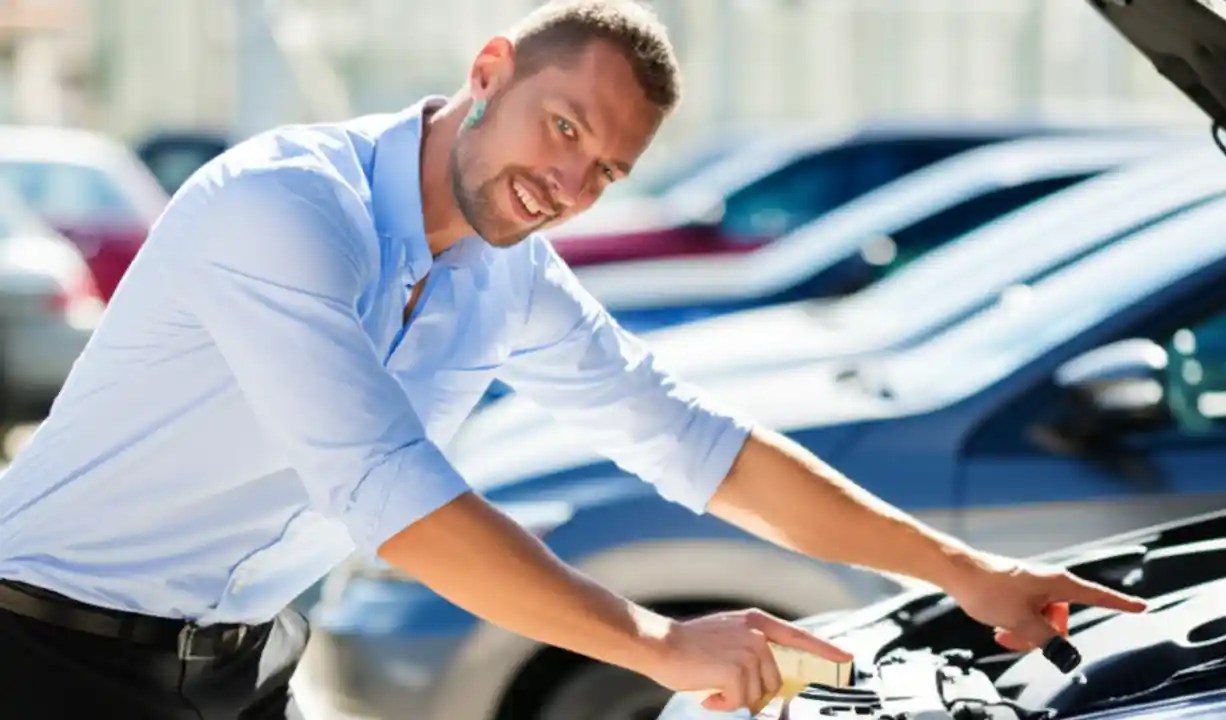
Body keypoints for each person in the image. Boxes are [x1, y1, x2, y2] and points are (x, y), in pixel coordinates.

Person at [0, 1, 1146, 718]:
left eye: (604, 170)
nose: (569, 185)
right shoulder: (286, 206)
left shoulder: (508, 272)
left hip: (246, 665)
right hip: (45, 653)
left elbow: (695, 445)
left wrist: (960, 570)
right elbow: (397, 499)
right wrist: (653, 641)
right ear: (490, 68)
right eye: (563, 128)